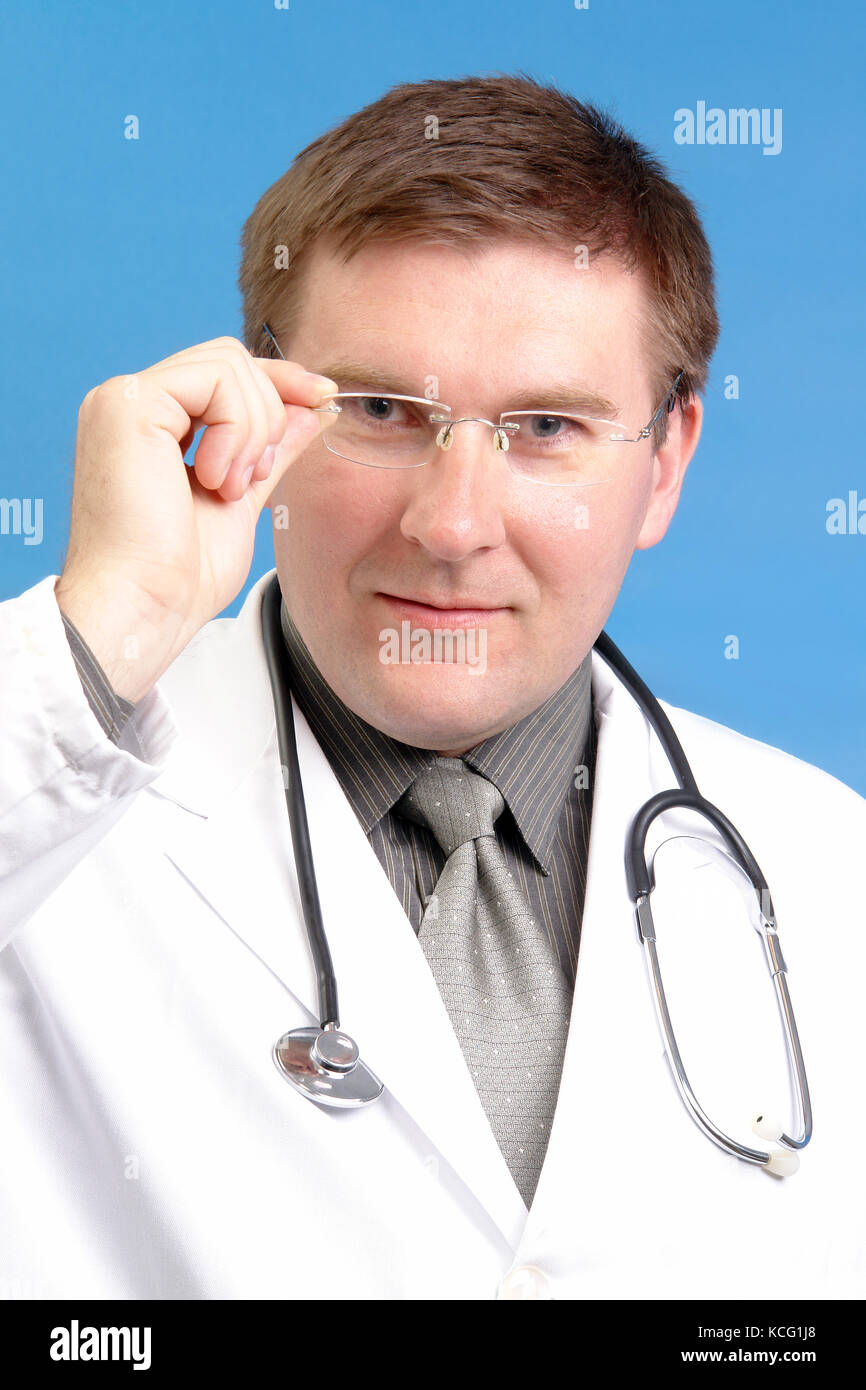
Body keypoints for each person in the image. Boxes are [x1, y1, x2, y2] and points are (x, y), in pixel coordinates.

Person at [1, 73, 864, 1303]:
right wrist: (108, 629)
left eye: (548, 426)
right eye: (379, 409)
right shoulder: (44, 801)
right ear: (256, 411)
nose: (451, 523)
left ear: (664, 460)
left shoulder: (830, 870)